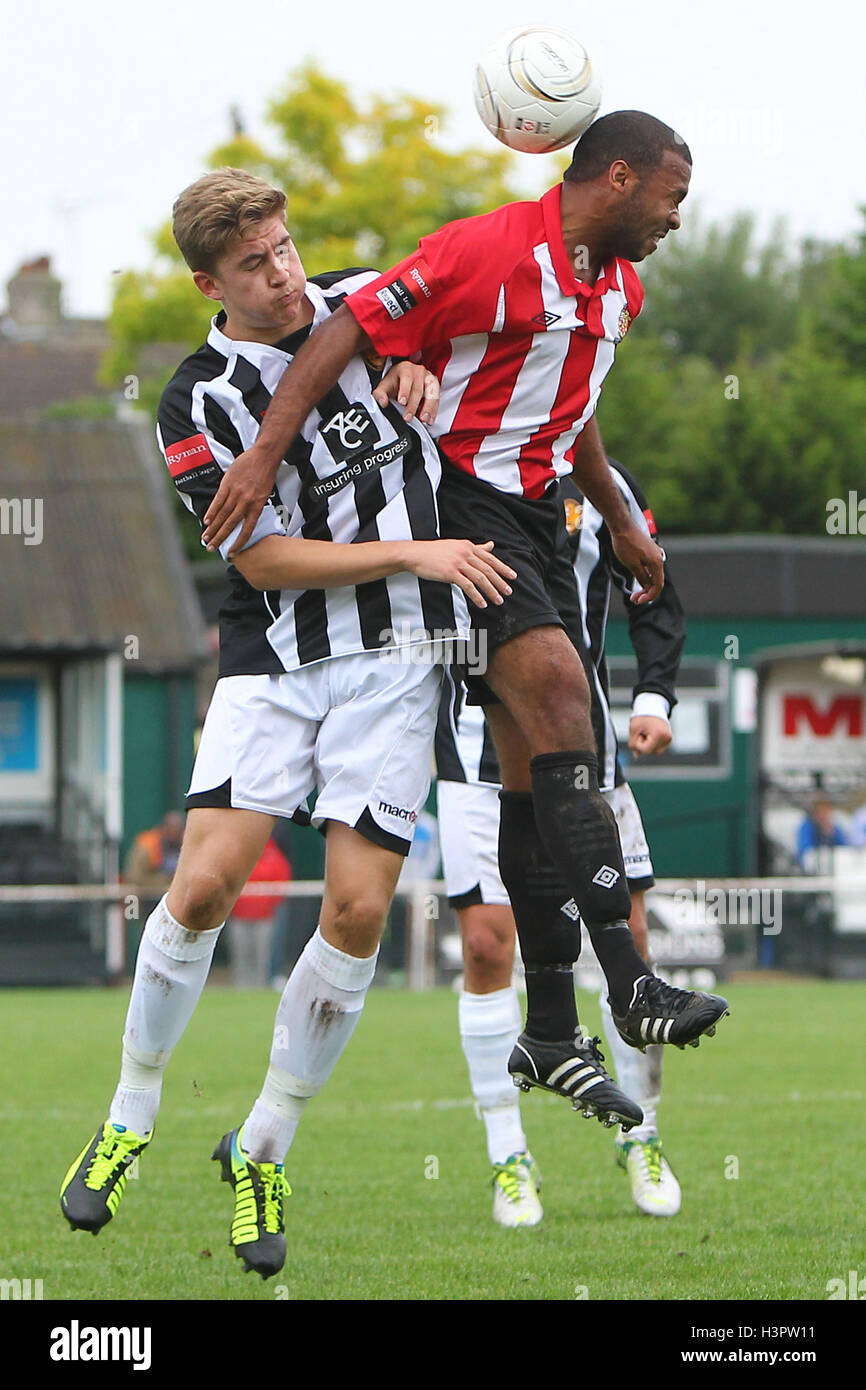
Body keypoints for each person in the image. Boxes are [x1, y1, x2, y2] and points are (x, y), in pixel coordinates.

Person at [201, 112, 729, 1115]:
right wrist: (265, 450)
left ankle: (542, 1030)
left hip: (537, 517)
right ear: (614, 179)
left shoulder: (618, 286)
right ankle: (628, 987)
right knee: (567, 705)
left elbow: (568, 412)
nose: (674, 218)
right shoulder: (484, 249)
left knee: (538, 760)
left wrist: (617, 514)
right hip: (458, 509)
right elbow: (351, 328)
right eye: (669, 196)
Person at [59, 168, 515, 1280]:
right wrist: (412, 548)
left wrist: (415, 354)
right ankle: (129, 1112)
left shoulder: (368, 300)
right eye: (256, 265)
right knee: (205, 883)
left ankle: (264, 1141)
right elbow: (259, 557)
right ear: (207, 282)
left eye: (286, 247)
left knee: (358, 910)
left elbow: (469, 336)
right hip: (275, 651)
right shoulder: (193, 401)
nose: (284, 275)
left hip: (402, 657)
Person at [436, 461, 686, 1226]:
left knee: (631, 943)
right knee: (487, 946)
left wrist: (653, 696)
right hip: (475, 753)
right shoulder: (450, 471)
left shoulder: (604, 486)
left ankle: (641, 1134)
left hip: (590, 754)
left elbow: (653, 587)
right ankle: (508, 1154)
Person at [226, 836, 292, 988]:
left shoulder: (274, 856)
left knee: (262, 957)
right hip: (239, 917)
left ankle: (260, 989)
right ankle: (241, 990)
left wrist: (266, 904)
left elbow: (282, 883)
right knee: (241, 956)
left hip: (264, 918)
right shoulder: (238, 855)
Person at [797, 797, 847, 869]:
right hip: (810, 866)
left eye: (827, 812)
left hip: (833, 865)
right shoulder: (806, 826)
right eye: (821, 812)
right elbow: (805, 850)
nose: (824, 815)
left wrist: (831, 833)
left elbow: (844, 847)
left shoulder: (834, 827)